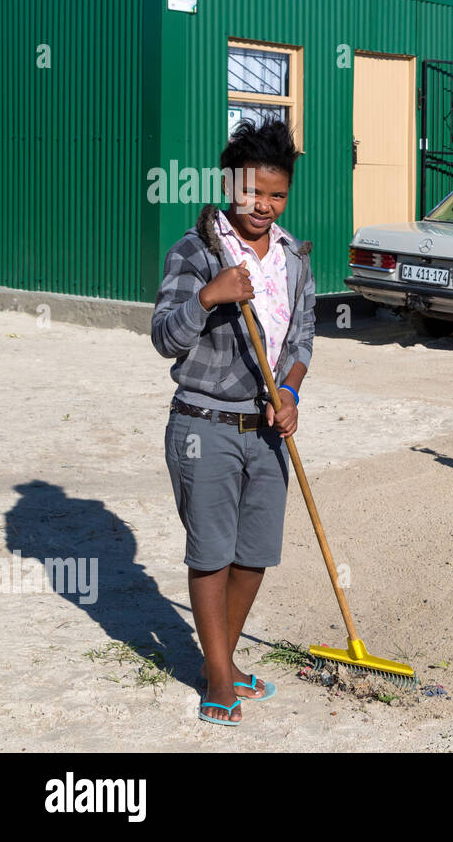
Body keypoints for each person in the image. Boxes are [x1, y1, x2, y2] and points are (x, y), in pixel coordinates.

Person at [151, 120, 314, 725]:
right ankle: (219, 673)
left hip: (269, 429)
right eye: (252, 194)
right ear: (231, 185)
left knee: (254, 554)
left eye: (277, 196)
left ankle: (218, 656)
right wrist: (210, 296)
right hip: (203, 422)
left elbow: (301, 339)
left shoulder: (295, 256)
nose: (263, 207)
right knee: (212, 553)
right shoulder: (197, 251)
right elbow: (164, 338)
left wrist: (290, 392)